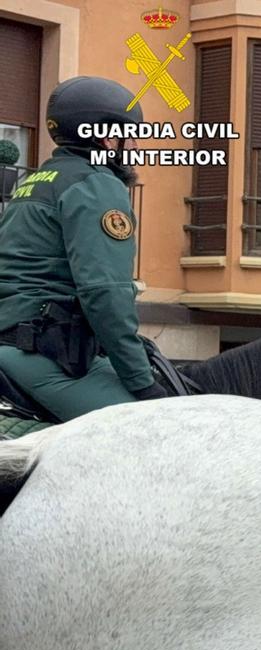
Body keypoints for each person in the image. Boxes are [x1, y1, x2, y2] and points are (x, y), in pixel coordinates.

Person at [0, 76, 165, 421]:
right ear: (107, 138)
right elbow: (105, 292)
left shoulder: (37, 180)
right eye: (131, 137)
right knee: (156, 426)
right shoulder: (96, 184)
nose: (135, 148)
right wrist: (143, 382)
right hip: (41, 353)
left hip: (18, 342)